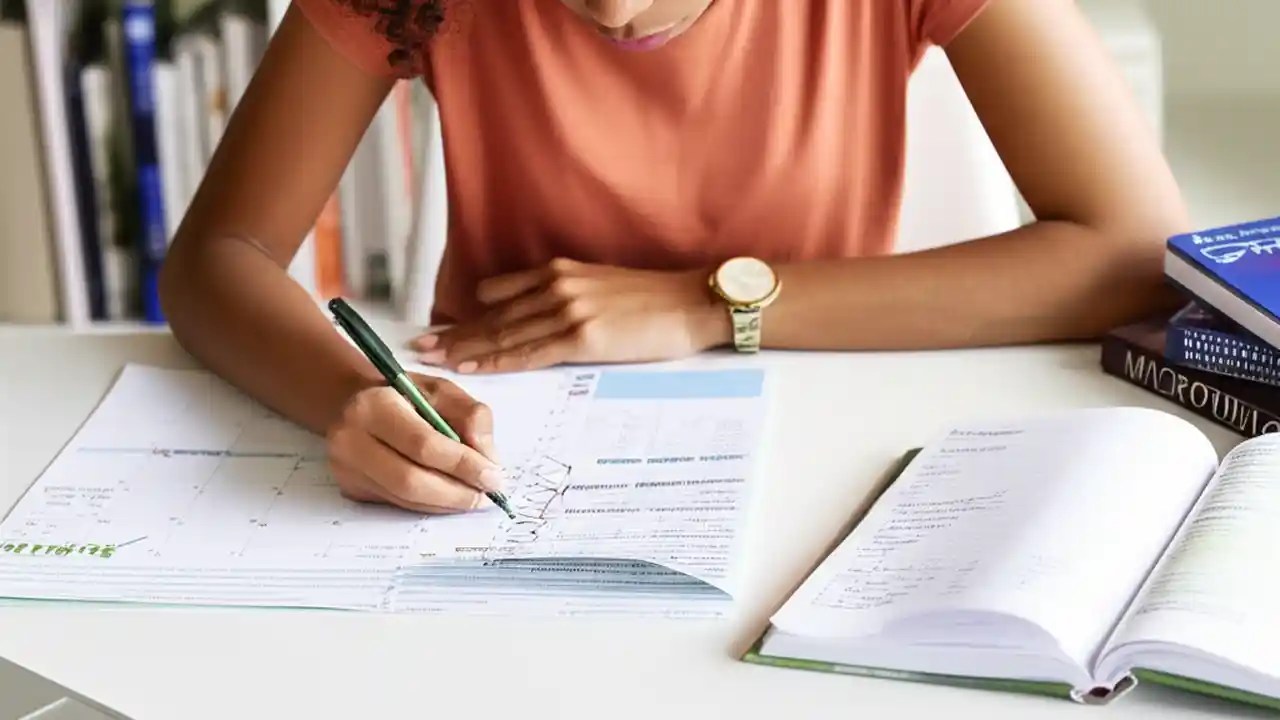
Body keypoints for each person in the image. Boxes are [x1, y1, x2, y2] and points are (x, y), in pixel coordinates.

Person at [158, 0, 1189, 515]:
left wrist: (708, 305)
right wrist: (349, 396)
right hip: (495, 471)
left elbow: (1136, 253)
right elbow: (218, 256)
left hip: (822, 463)